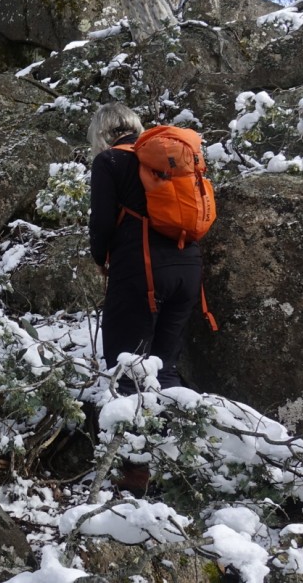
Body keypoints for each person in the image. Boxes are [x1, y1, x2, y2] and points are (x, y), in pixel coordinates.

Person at [88, 103, 202, 394]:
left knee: (127, 367)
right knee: (164, 365)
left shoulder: (109, 161)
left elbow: (101, 222)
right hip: (188, 267)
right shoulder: (167, 159)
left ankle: (131, 436)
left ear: (100, 132)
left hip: (143, 270)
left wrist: (100, 258)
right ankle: (174, 431)